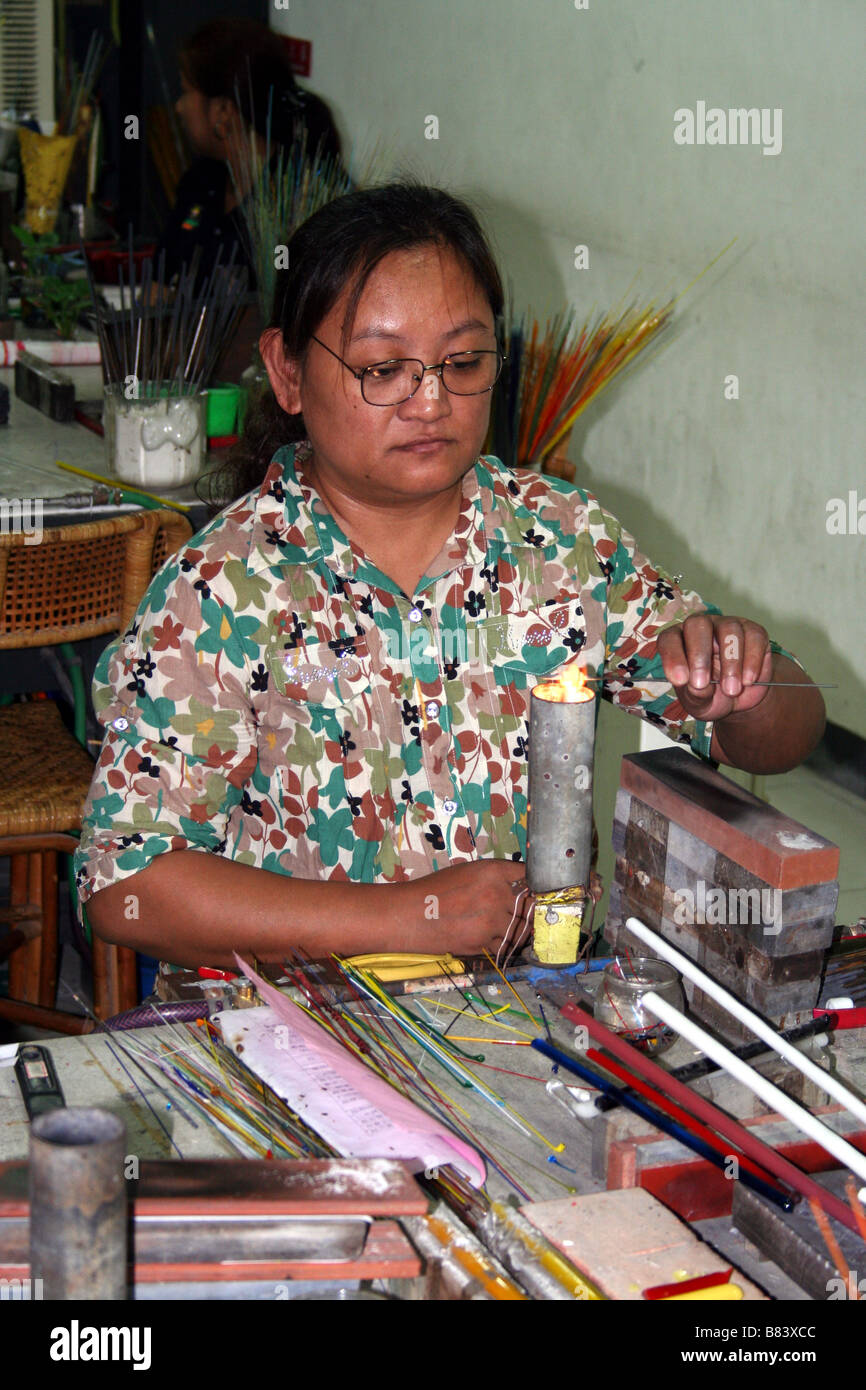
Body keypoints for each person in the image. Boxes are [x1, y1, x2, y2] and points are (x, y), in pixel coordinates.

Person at [76, 182, 825, 971]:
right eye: (382, 369)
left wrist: (749, 682)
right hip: (309, 1021)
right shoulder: (225, 589)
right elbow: (126, 885)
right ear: (287, 373)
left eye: (462, 361)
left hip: (531, 1002)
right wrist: (405, 919)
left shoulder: (561, 543)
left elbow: (786, 734)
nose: (431, 400)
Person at [156, 17, 342, 286]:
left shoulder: (301, 202)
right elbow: (158, 288)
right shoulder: (200, 183)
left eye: (185, 92)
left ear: (223, 112)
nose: (179, 107)